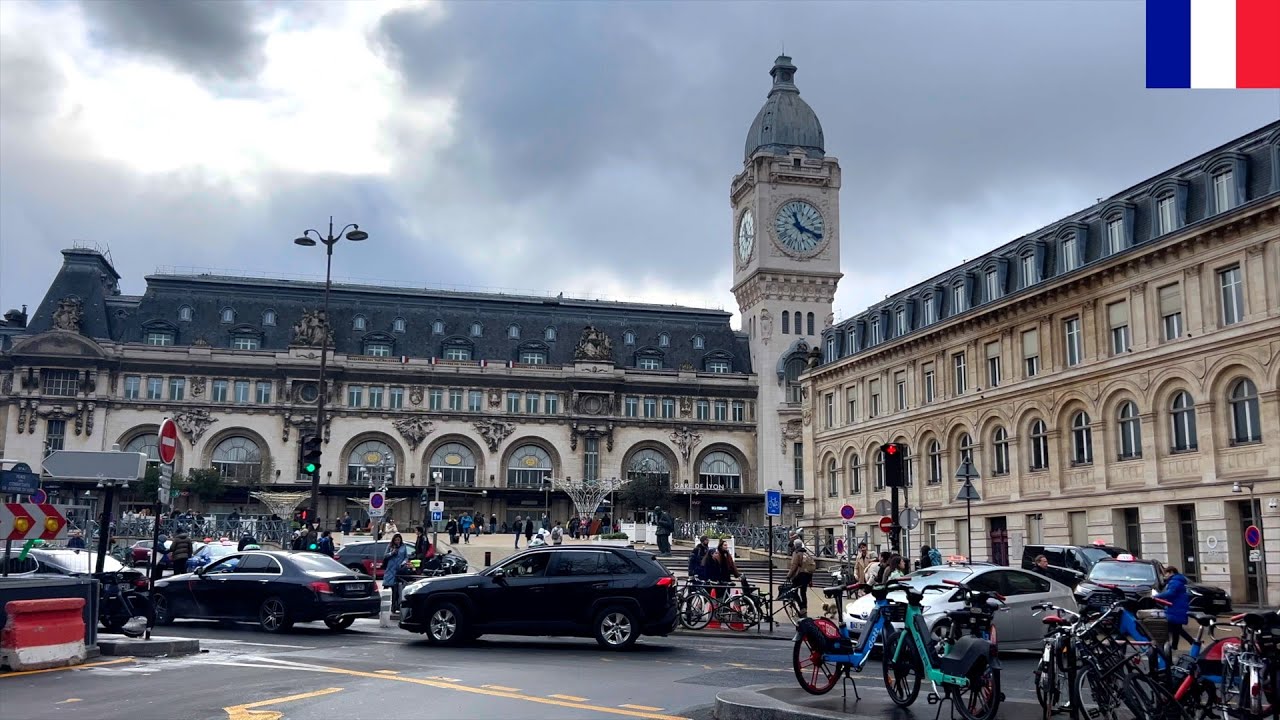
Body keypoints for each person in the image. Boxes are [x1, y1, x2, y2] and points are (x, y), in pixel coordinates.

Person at [1155, 564, 1195, 650]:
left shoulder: (1174, 581)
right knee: (1176, 628)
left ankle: (1191, 642)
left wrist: (1157, 596)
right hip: (1179, 606)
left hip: (1176, 607)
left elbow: (1171, 593)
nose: (1165, 576)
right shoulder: (1178, 580)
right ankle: (1175, 646)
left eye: (1166, 573)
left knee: (1172, 627)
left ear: (1171, 573)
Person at [786, 538, 817, 617]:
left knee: (794, 591)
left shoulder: (796, 553)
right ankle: (804, 609)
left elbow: (794, 566)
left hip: (799, 576)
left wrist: (789, 575)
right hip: (807, 576)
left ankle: (801, 607)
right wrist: (810, 580)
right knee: (803, 593)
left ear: (795, 545)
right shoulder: (806, 553)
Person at [382, 534, 409, 613]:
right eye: (396, 540)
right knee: (387, 588)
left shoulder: (403, 547)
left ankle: (395, 607)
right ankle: (384, 607)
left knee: (397, 590)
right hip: (390, 569)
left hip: (399, 569)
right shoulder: (390, 546)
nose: (397, 541)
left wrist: (403, 563)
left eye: (399, 540)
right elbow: (385, 556)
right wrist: (391, 553)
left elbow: (406, 557)